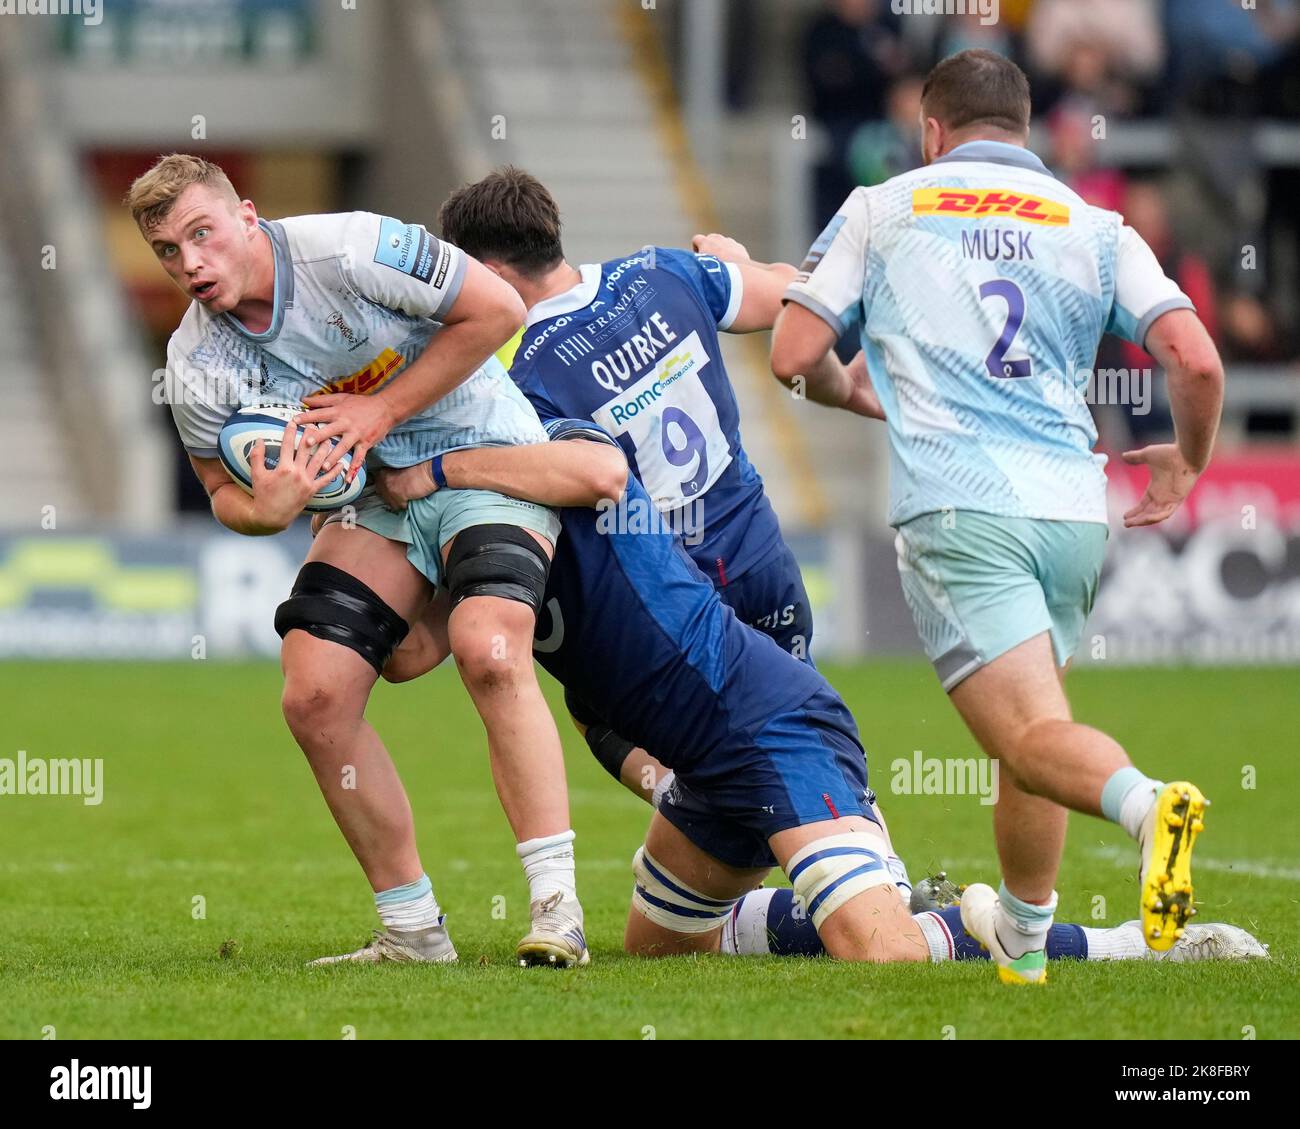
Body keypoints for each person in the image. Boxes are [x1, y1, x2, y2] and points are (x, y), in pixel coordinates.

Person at [376, 421, 1264, 968]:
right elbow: (415, 658)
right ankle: (871, 891)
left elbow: (600, 470)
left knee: (877, 953)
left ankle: (1099, 940)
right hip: (707, 766)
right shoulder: (481, 559)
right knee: (665, 948)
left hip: (773, 722)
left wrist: (441, 470)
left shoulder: (542, 452)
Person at [770, 49, 1226, 984]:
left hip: (961, 508)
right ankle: (1023, 937)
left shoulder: (885, 206)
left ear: (931, 132)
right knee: (1037, 730)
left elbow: (793, 346)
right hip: (1071, 511)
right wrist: (1189, 459)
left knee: (1024, 738)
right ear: (1022, 129)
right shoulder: (1096, 223)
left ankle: (1149, 805)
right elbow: (1197, 358)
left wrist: (840, 386)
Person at [128, 154, 594, 967]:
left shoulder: (352, 248)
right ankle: (413, 928)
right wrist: (263, 512)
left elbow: (500, 310)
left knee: (490, 649)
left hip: (483, 452)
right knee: (313, 694)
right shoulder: (196, 365)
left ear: (245, 215)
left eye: (201, 233)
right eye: (169, 250)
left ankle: (557, 907)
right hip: (374, 497)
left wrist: (378, 409)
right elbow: (218, 489)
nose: (190, 262)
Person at [434, 166, 821, 808]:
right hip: (762, 558)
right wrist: (743, 266)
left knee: (595, 705)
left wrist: (438, 469)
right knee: (807, 735)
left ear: (495, 276)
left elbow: (580, 476)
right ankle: (882, 880)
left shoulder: (520, 376)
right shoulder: (663, 272)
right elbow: (796, 295)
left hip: (679, 595)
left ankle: (690, 809)